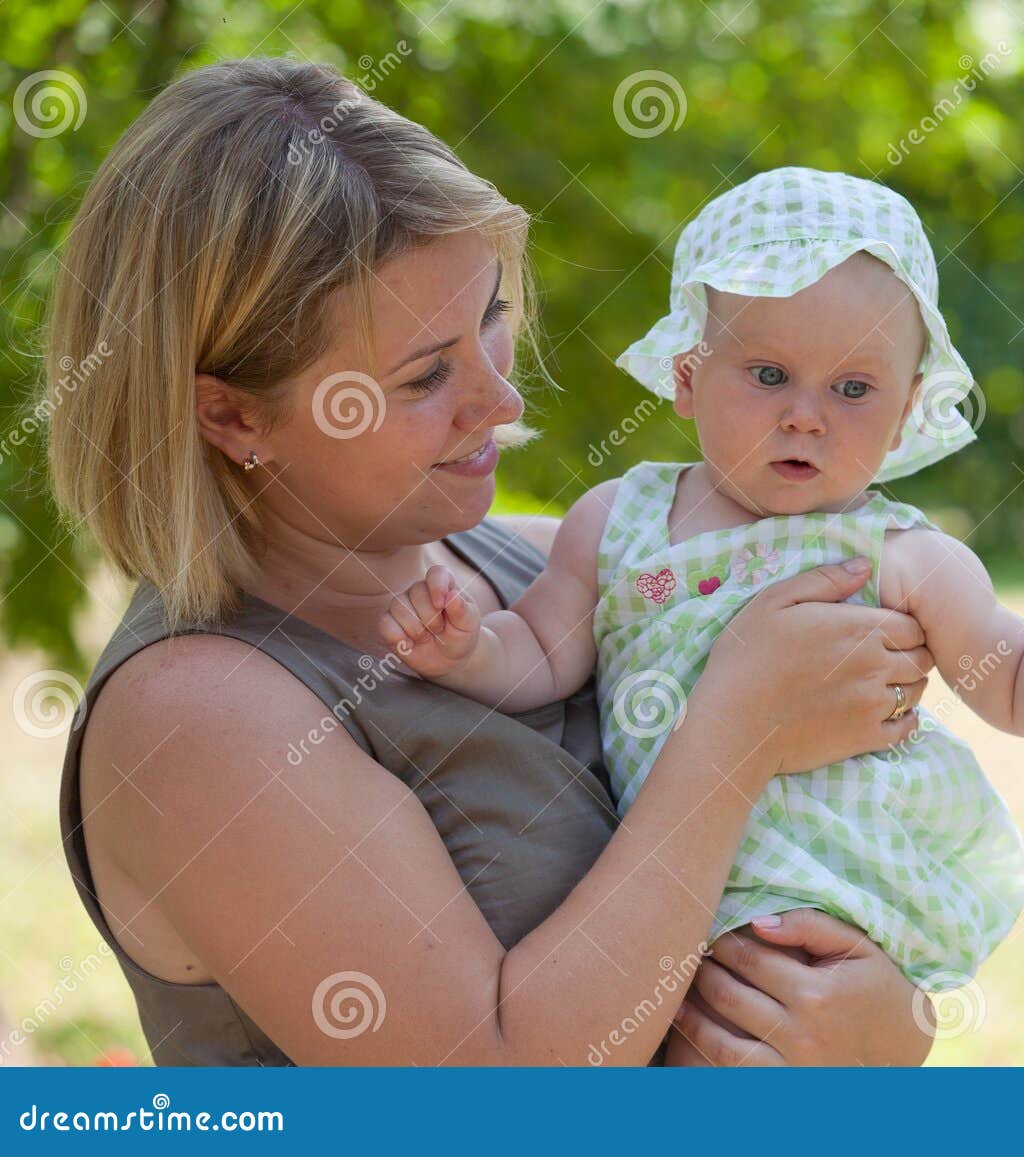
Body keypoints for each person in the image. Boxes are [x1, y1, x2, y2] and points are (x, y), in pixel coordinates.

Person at [49, 60, 937, 1066]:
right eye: (426, 373)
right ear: (232, 413)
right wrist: (732, 738)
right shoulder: (199, 718)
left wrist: (889, 1026)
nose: (501, 401)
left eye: (489, 322)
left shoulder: (550, 560)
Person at [376, 168, 1024, 1061]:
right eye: (769, 375)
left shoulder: (904, 556)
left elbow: (1015, 684)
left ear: (903, 413)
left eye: (854, 389)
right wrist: (468, 649)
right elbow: (543, 646)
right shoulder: (619, 522)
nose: (806, 417)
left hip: (841, 904)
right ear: (690, 377)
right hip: (674, 896)